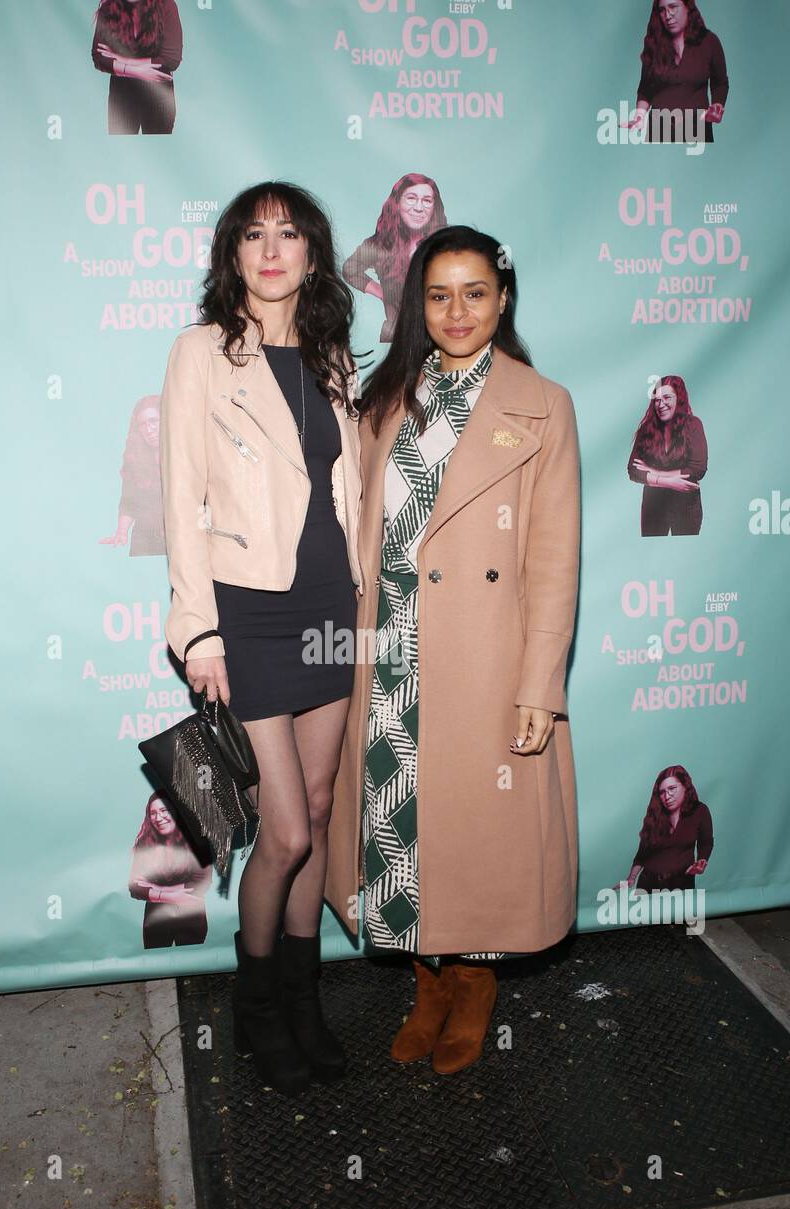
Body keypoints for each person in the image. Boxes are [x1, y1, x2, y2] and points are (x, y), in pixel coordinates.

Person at [325, 225, 582, 1075]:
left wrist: (540, 685)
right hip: (391, 648)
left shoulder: (542, 404)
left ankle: (473, 981)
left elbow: (553, 559)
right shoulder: (386, 397)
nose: (457, 311)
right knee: (400, 825)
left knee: (474, 832)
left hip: (485, 658)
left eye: (476, 293)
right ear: (416, 306)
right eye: (438, 295)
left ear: (503, 300)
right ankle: (425, 980)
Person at [158, 181, 363, 1096]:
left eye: (290, 234)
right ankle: (256, 1006)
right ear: (231, 253)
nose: (272, 248)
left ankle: (306, 998)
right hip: (249, 610)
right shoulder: (202, 353)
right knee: (281, 831)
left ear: (313, 255)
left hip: (333, 602)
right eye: (254, 233)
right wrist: (199, 631)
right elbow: (180, 500)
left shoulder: (330, 356)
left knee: (319, 810)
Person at [342, 174, 447, 343]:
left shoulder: (447, 245)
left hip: (440, 341)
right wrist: (383, 293)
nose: (419, 208)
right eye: (411, 198)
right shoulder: (380, 244)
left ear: (435, 207)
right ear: (397, 203)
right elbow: (349, 269)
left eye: (427, 200)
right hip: (395, 340)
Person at [623, 0, 728, 144]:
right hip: (659, 135)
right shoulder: (654, 44)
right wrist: (639, 116)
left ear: (688, 8)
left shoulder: (709, 41)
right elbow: (645, 89)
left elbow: (720, 83)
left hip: (697, 134)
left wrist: (718, 105)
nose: (668, 15)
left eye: (673, 7)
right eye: (662, 10)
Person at [128, 794, 212, 948]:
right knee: (156, 967)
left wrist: (155, 891)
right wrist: (173, 894)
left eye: (164, 810)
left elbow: (202, 882)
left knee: (194, 965)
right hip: (156, 922)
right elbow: (134, 887)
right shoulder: (144, 844)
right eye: (153, 813)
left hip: (191, 918)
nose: (159, 817)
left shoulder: (197, 837)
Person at [627, 375, 707, 536]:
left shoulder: (693, 425)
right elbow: (633, 471)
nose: (661, 404)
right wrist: (669, 482)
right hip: (653, 507)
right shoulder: (646, 430)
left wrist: (653, 472)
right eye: (656, 400)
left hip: (686, 506)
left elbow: (697, 469)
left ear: (679, 399)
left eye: (667, 397)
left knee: (686, 554)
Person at [91, 0, 183, 136]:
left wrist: (123, 60)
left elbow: (171, 60)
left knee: (159, 152)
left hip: (158, 93)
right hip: (122, 93)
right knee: (121, 151)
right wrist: (137, 71)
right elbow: (99, 57)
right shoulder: (108, 6)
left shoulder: (166, 5)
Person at [618, 766, 712, 892]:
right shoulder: (655, 817)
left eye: (672, 788)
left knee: (684, 912)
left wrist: (702, 861)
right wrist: (631, 879)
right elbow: (642, 854)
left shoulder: (699, 811)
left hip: (682, 885)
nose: (667, 796)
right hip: (648, 885)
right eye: (662, 792)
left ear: (685, 786)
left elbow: (705, 842)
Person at [101, 395, 166, 556]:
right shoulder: (135, 461)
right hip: (144, 542)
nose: (148, 429)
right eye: (142, 424)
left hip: (178, 540)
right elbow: (129, 503)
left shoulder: (185, 456)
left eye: (153, 421)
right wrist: (122, 532)